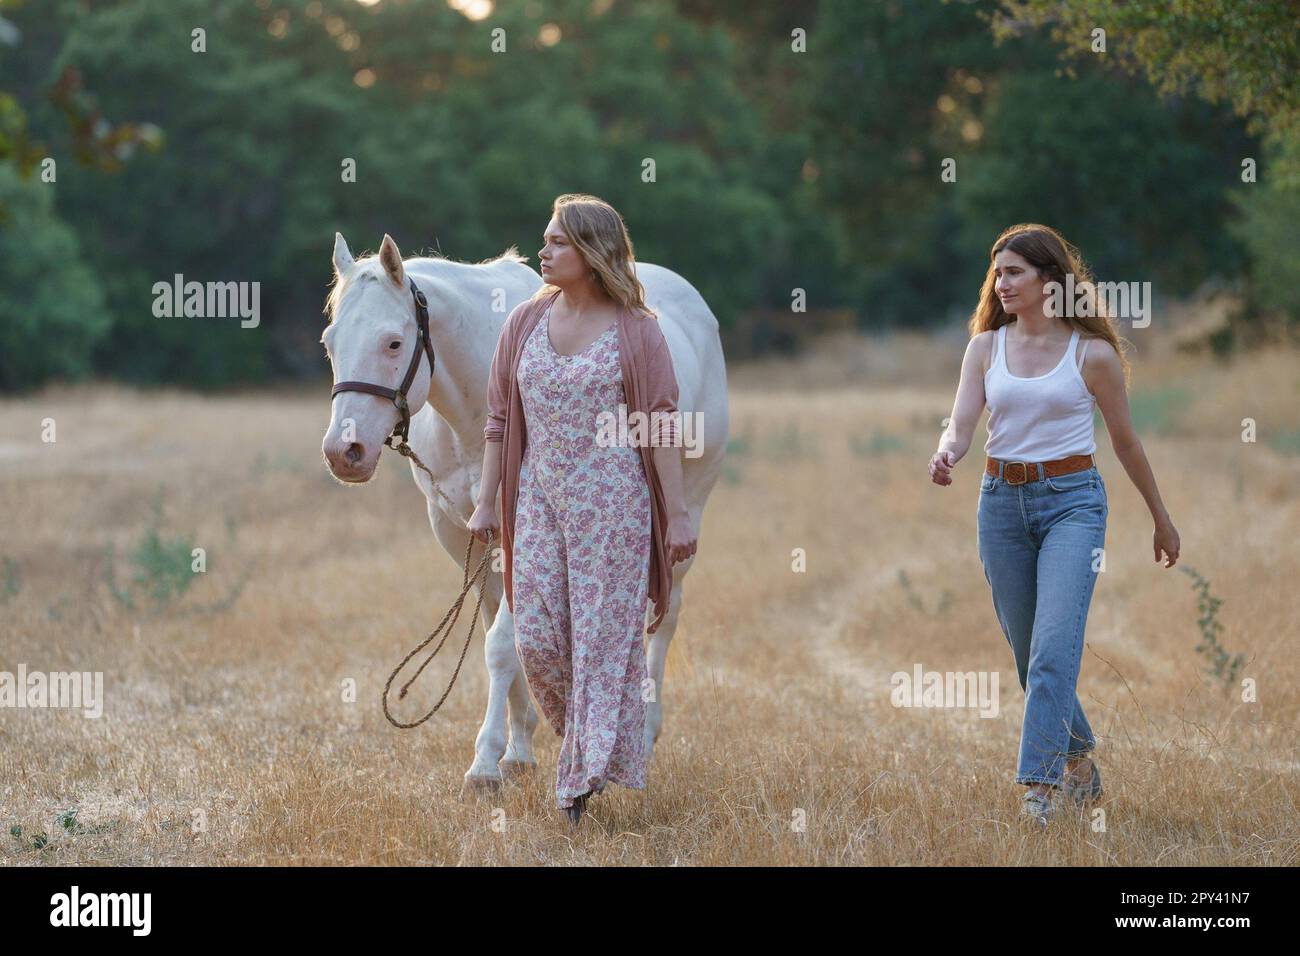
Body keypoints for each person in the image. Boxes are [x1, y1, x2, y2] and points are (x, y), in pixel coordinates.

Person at [928, 223, 1180, 826]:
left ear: (1050, 279)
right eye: (998, 272)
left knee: (1051, 650)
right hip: (1000, 506)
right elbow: (961, 424)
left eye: (1014, 271)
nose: (1001, 282)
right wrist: (946, 452)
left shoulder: (1092, 355)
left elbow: (1125, 443)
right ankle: (1080, 761)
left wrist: (1160, 518)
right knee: (1028, 655)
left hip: (1074, 505)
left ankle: (1039, 791)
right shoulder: (985, 348)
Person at [468, 194, 697, 828]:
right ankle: (596, 742)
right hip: (539, 501)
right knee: (536, 640)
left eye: (558, 243)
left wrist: (677, 515)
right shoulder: (523, 322)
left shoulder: (636, 329)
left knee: (599, 644)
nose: (543, 252)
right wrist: (486, 502)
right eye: (545, 240)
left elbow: (660, 425)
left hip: (613, 506)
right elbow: (498, 421)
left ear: (593, 253)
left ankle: (577, 786)